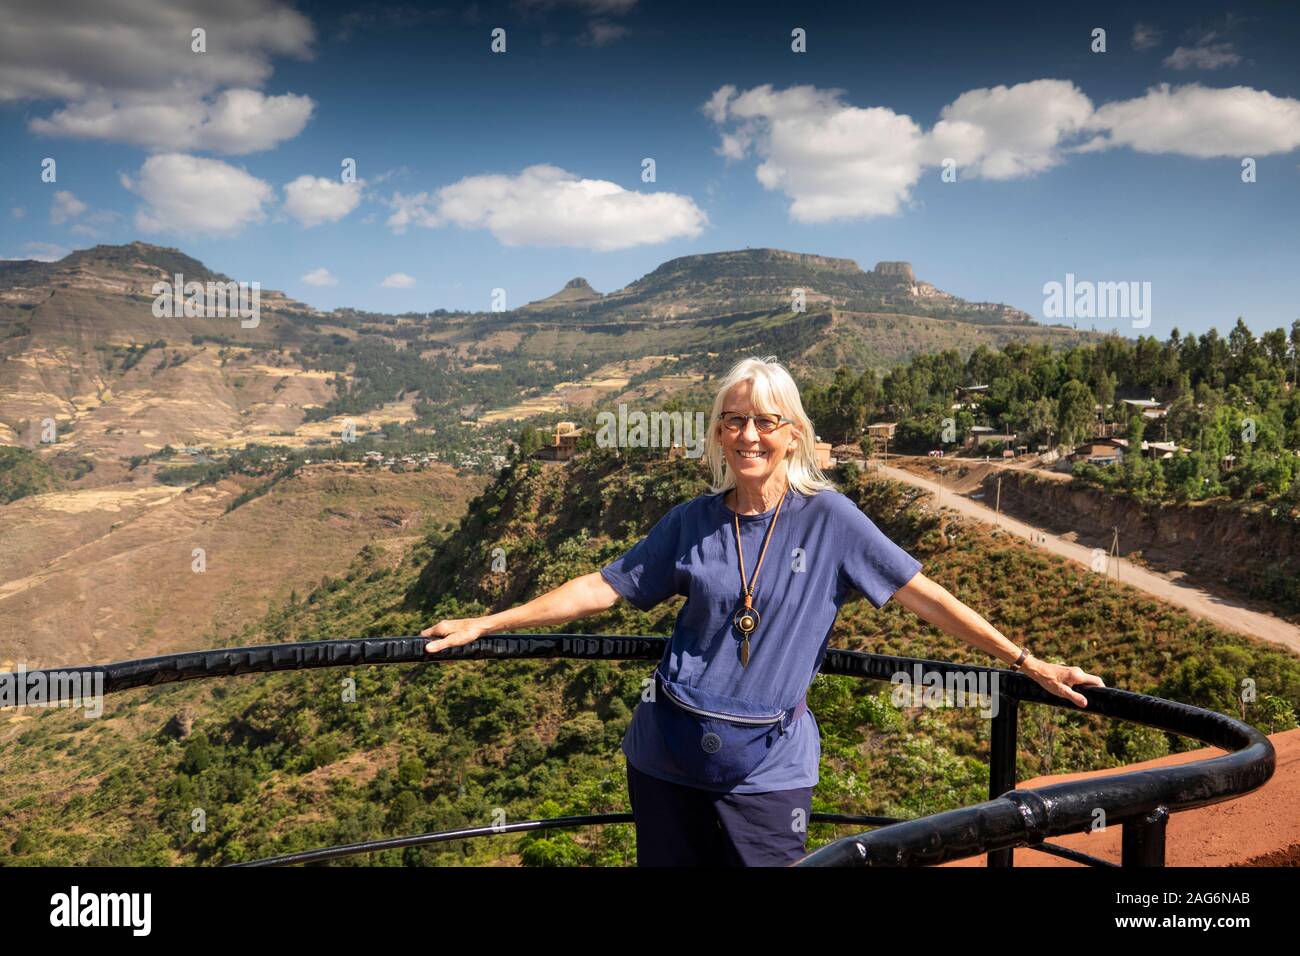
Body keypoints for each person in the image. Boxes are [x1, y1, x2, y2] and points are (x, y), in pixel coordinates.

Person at [421, 355, 1104, 866]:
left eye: (765, 421)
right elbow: (603, 586)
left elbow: (924, 595)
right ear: (718, 434)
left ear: (794, 432)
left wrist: (1027, 662)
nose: (749, 435)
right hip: (664, 760)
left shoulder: (831, 520)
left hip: (767, 775)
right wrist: (490, 622)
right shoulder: (692, 520)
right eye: (734, 421)